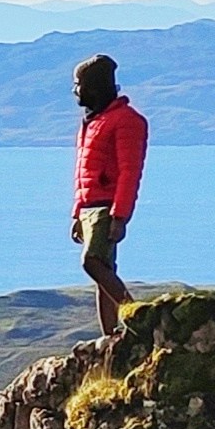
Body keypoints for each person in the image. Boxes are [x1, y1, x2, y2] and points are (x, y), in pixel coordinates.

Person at [70, 53, 148, 335]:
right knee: (104, 271)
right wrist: (78, 212)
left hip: (106, 206)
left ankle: (137, 317)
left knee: (92, 262)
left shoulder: (126, 121)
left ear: (93, 87)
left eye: (78, 85)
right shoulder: (93, 122)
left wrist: (120, 216)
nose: (75, 91)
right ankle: (111, 336)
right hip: (91, 206)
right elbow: (82, 173)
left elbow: (130, 171)